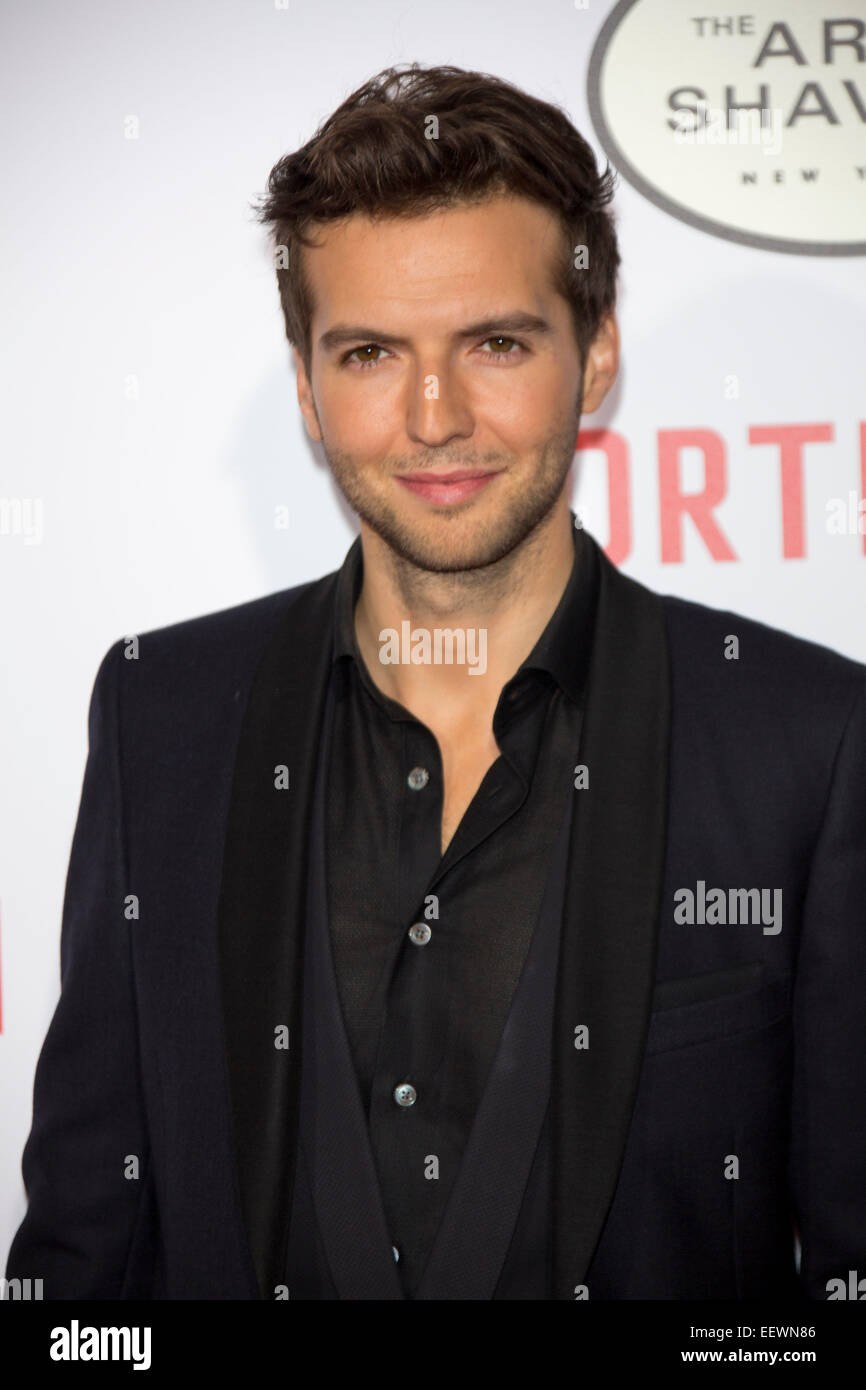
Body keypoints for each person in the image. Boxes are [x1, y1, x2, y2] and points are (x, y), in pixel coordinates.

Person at [7, 63, 866, 1300]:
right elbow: (87, 1248)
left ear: (598, 351)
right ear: (305, 385)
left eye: (496, 343)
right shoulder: (164, 714)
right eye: (368, 353)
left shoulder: (805, 740)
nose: (433, 415)